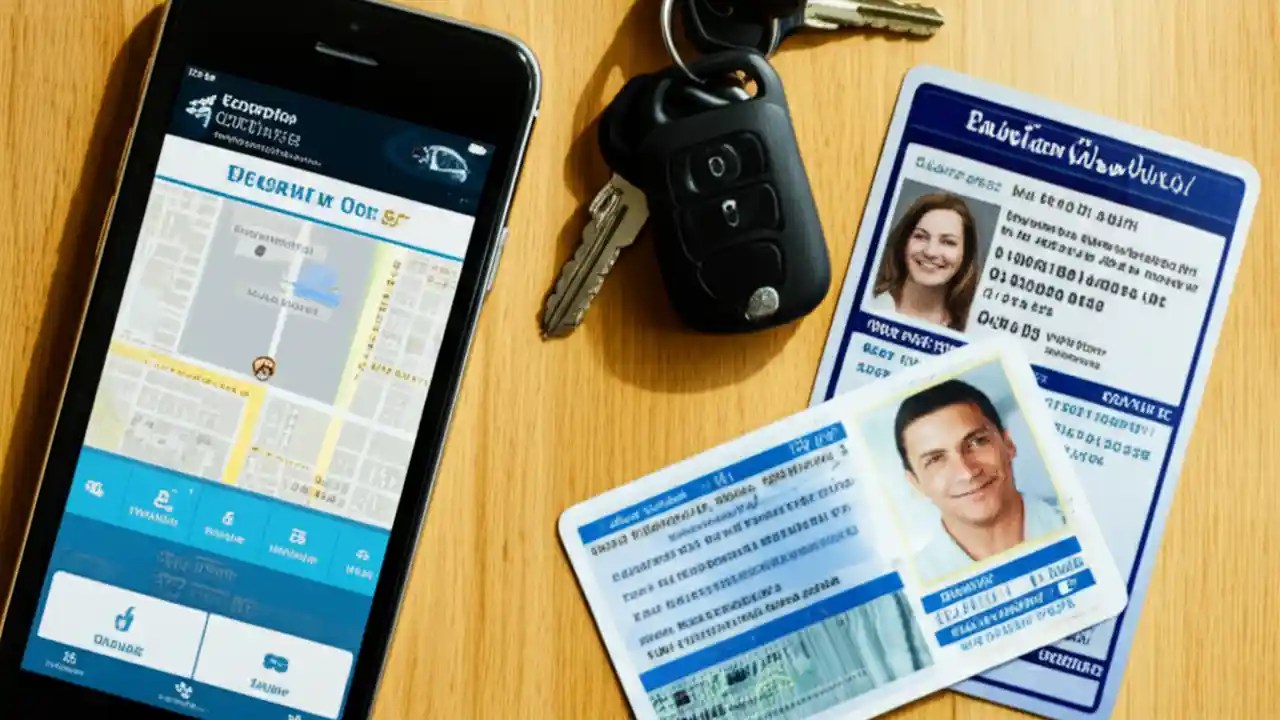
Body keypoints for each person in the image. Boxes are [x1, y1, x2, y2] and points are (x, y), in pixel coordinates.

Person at [893, 379, 1065, 581]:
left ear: (1008, 444)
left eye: (977, 442)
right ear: (916, 483)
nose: (967, 472)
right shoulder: (909, 586)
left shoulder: (1088, 525)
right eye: (936, 459)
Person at [869, 192, 980, 332]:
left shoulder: (971, 331)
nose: (930, 252)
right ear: (904, 242)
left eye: (948, 242)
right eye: (921, 237)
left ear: (966, 254)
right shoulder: (870, 305)